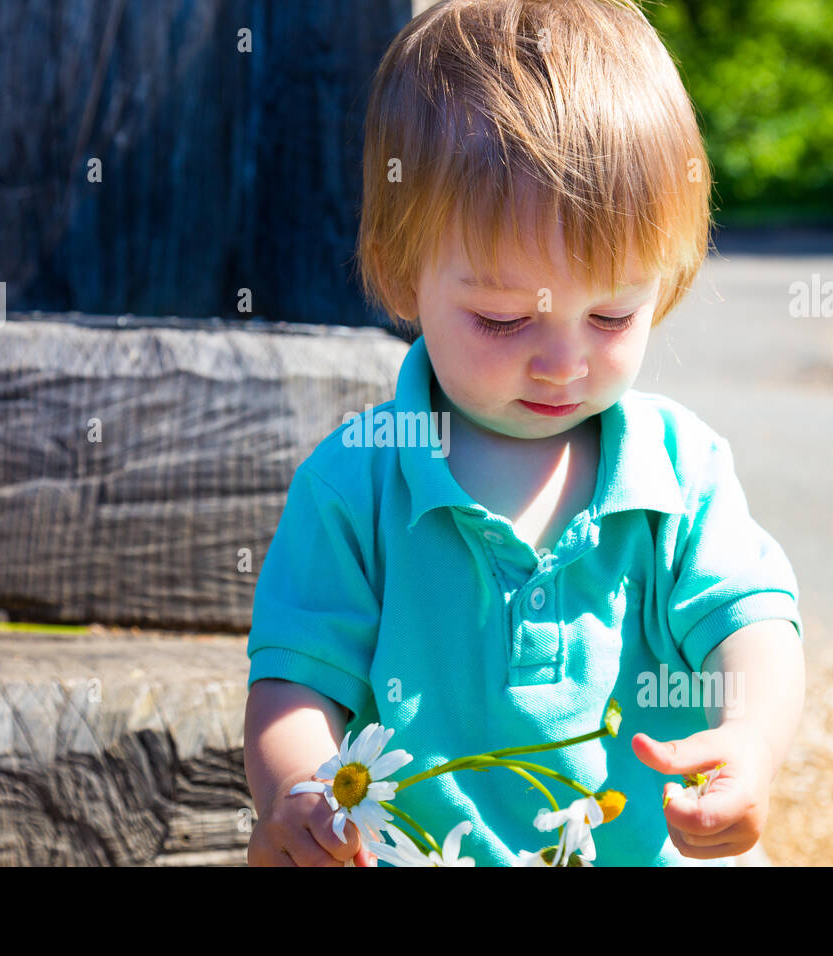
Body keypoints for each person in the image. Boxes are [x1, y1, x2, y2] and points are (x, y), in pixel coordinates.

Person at [243, 0, 804, 867]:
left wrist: (752, 740)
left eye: (613, 314)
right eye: (504, 319)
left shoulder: (679, 471)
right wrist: (296, 792)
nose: (562, 362)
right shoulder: (356, 483)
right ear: (403, 271)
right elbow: (296, 679)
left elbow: (754, 623)